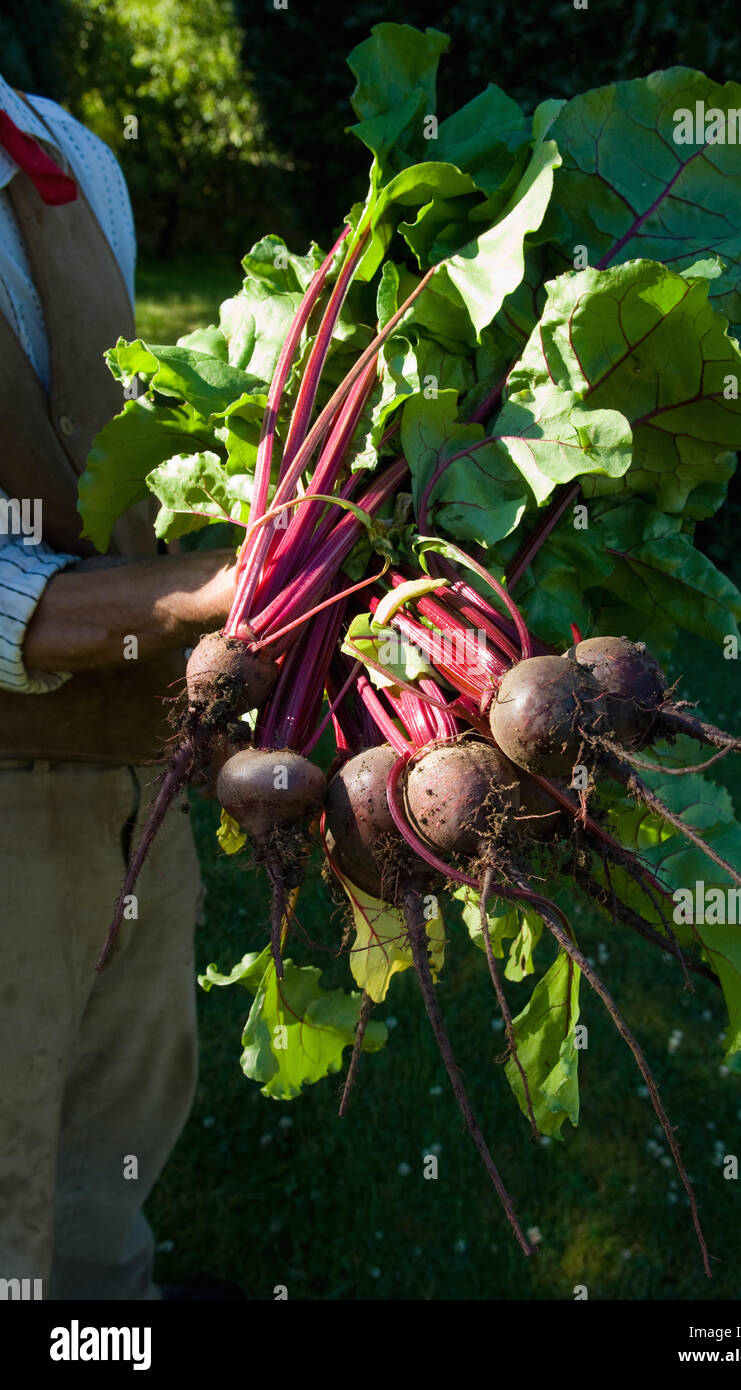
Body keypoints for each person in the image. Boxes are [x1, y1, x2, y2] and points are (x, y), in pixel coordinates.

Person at [0, 77, 235, 1300]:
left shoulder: (66, 154)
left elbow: (112, 448)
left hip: (139, 770)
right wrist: (195, 592)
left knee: (114, 1152)